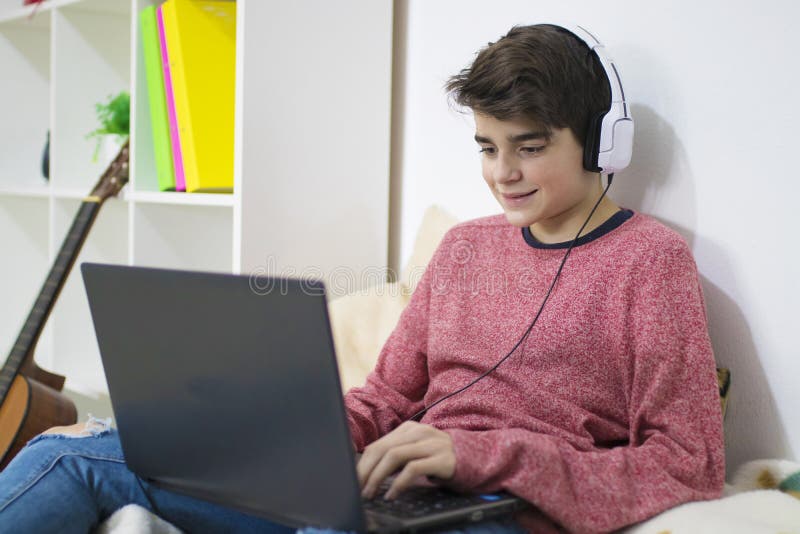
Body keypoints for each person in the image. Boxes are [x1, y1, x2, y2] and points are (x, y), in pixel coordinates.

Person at [0, 24, 724, 534]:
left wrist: (484, 454)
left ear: (600, 140)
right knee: (68, 453)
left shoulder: (649, 264)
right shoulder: (466, 250)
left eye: (528, 148)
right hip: (377, 484)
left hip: (493, 510)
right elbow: (383, 398)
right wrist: (281, 433)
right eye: (486, 147)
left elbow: (687, 465)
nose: (501, 173)